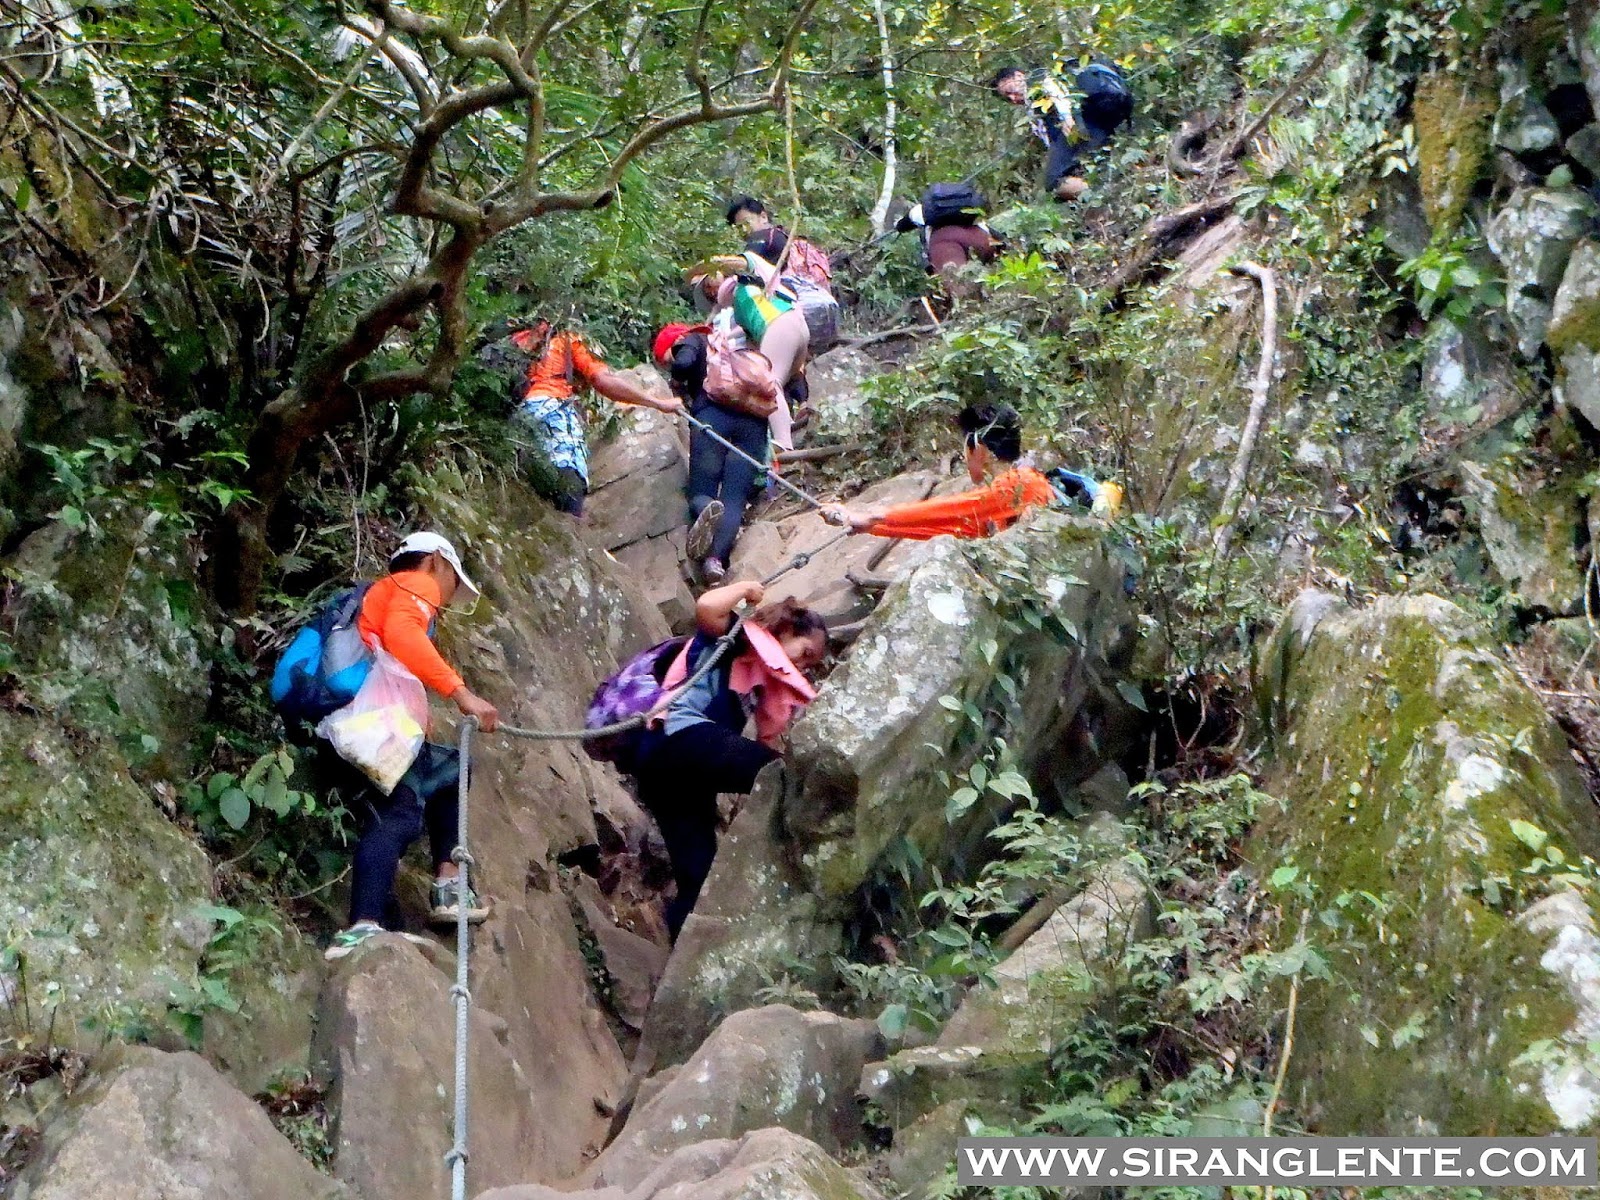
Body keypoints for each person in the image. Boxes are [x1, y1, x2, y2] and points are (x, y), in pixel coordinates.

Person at [324, 532, 502, 961]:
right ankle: (362, 927)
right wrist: (461, 693)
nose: (448, 596)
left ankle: (449, 885)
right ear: (436, 561)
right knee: (399, 813)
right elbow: (403, 634)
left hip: (355, 725)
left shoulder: (382, 594)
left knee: (451, 769)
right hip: (371, 726)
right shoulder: (415, 583)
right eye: (452, 580)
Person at [632, 580, 827, 938]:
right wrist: (745, 588)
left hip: (672, 776)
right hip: (677, 737)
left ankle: (681, 951)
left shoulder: (765, 683)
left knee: (698, 877)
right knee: (778, 772)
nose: (803, 667)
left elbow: (772, 735)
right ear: (786, 630)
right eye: (805, 653)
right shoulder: (736, 638)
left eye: (810, 665)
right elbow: (707, 607)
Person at [507, 319, 682, 517]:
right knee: (571, 482)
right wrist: (658, 403)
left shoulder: (518, 340)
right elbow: (602, 380)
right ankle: (570, 530)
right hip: (552, 409)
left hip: (517, 418)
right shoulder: (568, 340)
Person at [823, 403, 1057, 539]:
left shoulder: (1020, 483)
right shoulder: (1008, 493)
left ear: (978, 448)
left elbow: (956, 509)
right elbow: (951, 525)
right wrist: (870, 526)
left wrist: (873, 516)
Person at [655, 322, 768, 584]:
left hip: (713, 417)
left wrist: (676, 379)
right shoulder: (738, 347)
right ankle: (715, 561)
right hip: (754, 422)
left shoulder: (693, 340)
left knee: (700, 492)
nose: (667, 364)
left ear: (674, 342)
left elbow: (683, 363)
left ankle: (707, 508)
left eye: (664, 359)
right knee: (734, 497)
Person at [691, 266, 807, 454]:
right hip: (797, 323)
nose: (712, 292)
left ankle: (783, 441)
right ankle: (787, 425)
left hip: (778, 325)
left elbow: (726, 289)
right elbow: (748, 338)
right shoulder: (755, 297)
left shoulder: (739, 288)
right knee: (782, 382)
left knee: (770, 383)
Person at [990, 61, 1134, 202]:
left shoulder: (1037, 79)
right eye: (1007, 98)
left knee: (1053, 180)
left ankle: (1103, 194)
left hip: (1078, 124)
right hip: (1098, 123)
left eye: (1010, 91)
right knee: (1087, 165)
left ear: (1018, 76)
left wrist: (1067, 118)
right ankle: (1111, 190)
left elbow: (1056, 92)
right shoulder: (1034, 103)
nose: (1012, 98)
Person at [895, 183, 1002, 294]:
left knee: (959, 287)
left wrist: (899, 226)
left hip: (949, 245)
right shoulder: (967, 209)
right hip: (981, 236)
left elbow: (901, 226)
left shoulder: (918, 214)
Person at [726, 195, 791, 262]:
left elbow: (748, 261)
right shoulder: (782, 235)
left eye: (746, 223)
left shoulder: (764, 236)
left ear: (763, 217)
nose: (744, 229)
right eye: (739, 227)